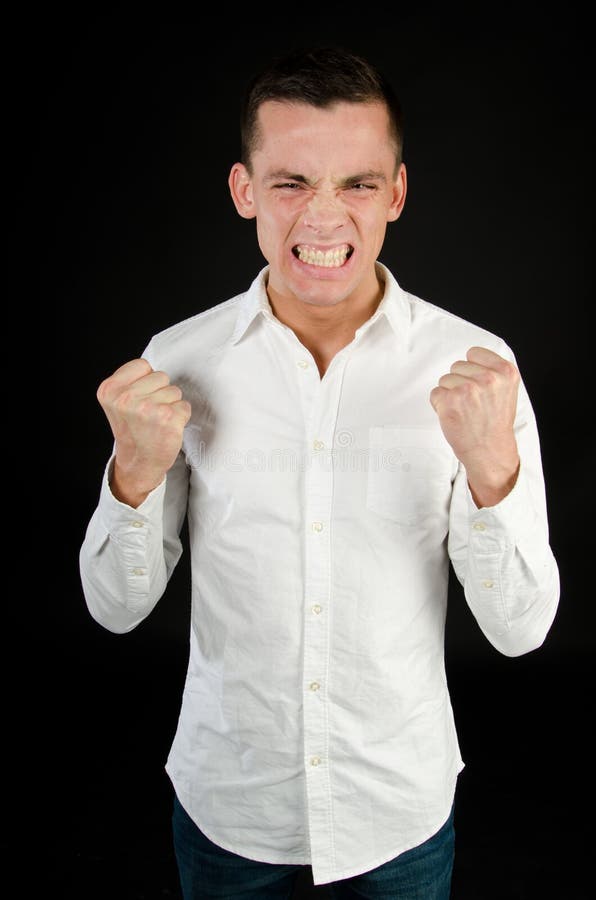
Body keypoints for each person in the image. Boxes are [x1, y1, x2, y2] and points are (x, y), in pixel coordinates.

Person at [79, 45, 560, 900]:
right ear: (244, 192)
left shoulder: (478, 366)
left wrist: (493, 467)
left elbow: (521, 632)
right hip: (231, 806)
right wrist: (134, 472)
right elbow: (115, 611)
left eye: (358, 184)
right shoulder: (178, 360)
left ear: (398, 194)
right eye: (292, 181)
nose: (323, 217)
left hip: (395, 813)